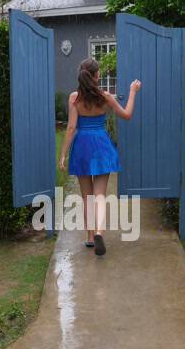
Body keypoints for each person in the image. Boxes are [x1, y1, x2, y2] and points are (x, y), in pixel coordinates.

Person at [59, 58, 141, 256]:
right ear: (96, 76)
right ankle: (99, 232)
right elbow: (127, 114)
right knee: (100, 196)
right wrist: (132, 91)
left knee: (86, 197)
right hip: (101, 146)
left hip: (82, 147)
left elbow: (70, 128)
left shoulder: (74, 98)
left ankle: (89, 238)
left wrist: (63, 154)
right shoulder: (105, 97)